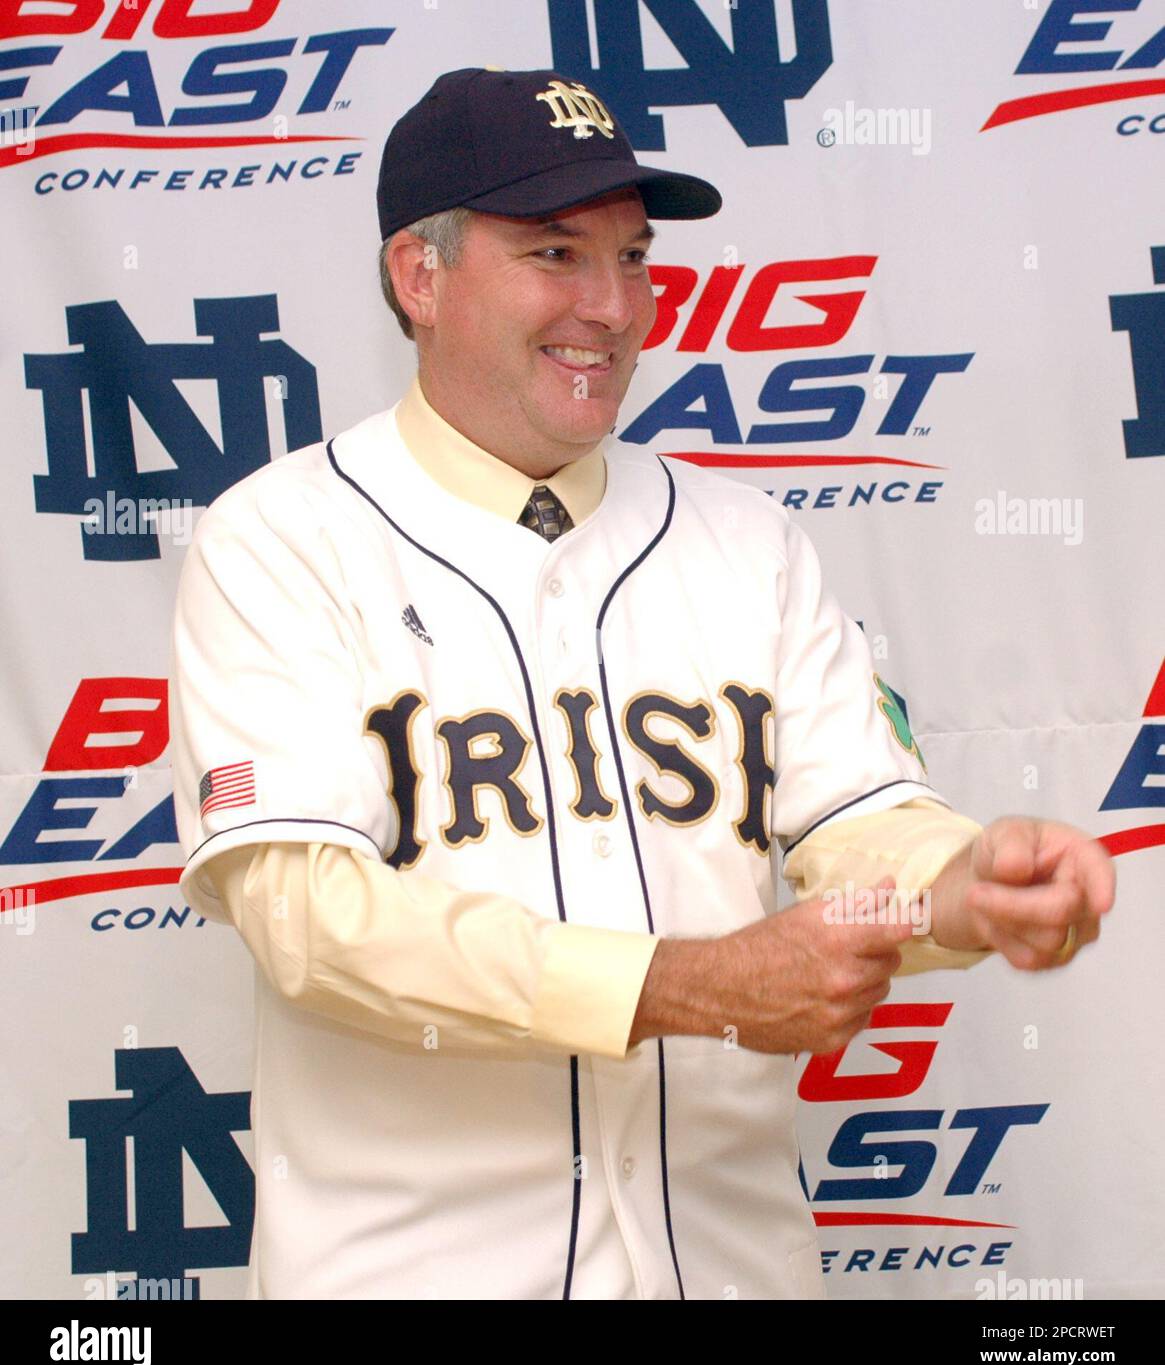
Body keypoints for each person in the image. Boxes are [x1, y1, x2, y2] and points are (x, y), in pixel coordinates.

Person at [169, 67, 1115, 1300]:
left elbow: (857, 830)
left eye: (633, 255)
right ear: (420, 276)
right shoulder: (283, 539)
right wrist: (681, 987)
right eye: (555, 252)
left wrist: (957, 888)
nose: (611, 306)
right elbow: (307, 917)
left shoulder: (745, 541)